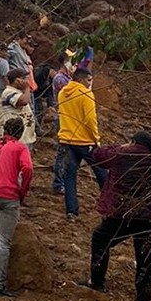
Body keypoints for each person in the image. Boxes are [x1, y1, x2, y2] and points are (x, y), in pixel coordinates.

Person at [81, 132, 151, 301]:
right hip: (150, 218)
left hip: (120, 214)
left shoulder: (122, 154)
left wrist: (121, 146)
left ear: (132, 142)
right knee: (146, 260)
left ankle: (97, 282)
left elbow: (98, 154)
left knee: (100, 240)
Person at [0, 117, 33, 299]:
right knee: (4, 241)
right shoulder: (19, 147)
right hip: (7, 195)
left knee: (1, 215)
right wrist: (22, 192)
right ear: (20, 132)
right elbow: (28, 169)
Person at [57, 68, 106, 219]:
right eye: (89, 80)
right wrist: (96, 139)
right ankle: (109, 207)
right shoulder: (86, 94)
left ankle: (71, 211)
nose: (90, 84)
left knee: (70, 177)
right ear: (82, 80)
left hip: (66, 140)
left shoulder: (62, 93)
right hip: (86, 142)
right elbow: (90, 119)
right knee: (103, 174)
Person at [50, 51, 76, 195]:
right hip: (63, 117)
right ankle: (58, 183)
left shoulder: (68, 78)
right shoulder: (60, 79)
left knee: (69, 151)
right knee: (63, 151)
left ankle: (64, 181)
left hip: (69, 117)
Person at [0, 68, 35, 152]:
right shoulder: (8, 92)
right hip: (17, 136)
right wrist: (27, 88)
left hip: (25, 135)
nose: (27, 80)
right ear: (17, 80)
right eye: (24, 78)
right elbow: (23, 101)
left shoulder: (17, 92)